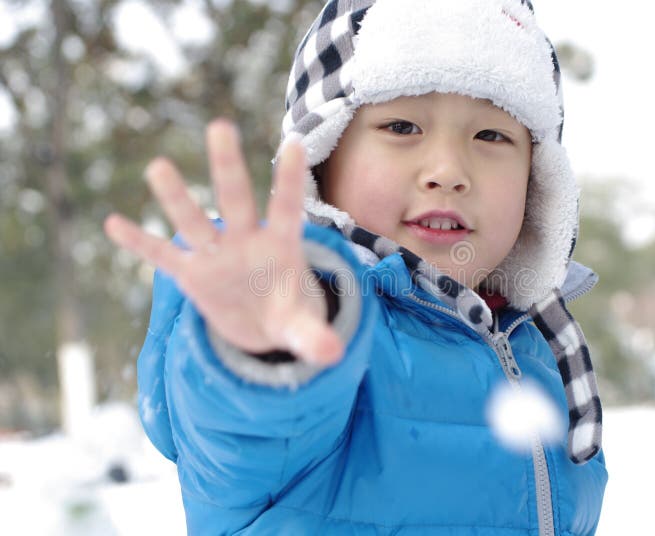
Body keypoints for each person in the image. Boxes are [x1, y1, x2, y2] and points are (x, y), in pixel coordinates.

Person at [104, 0, 608, 533]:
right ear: (324, 157)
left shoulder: (537, 349)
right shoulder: (319, 316)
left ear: (537, 182)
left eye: (491, 136)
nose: (447, 171)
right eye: (401, 126)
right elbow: (245, 426)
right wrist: (268, 342)